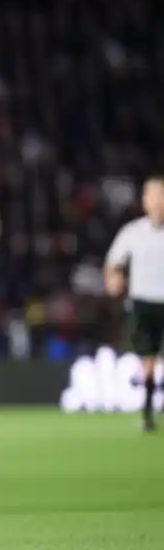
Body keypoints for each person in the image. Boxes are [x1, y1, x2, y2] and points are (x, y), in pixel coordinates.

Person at [104, 175, 164, 433]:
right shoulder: (132, 232)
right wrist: (113, 278)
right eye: (152, 195)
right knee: (147, 359)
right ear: (144, 201)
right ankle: (148, 412)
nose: (157, 200)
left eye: (161, 194)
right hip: (143, 302)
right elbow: (114, 261)